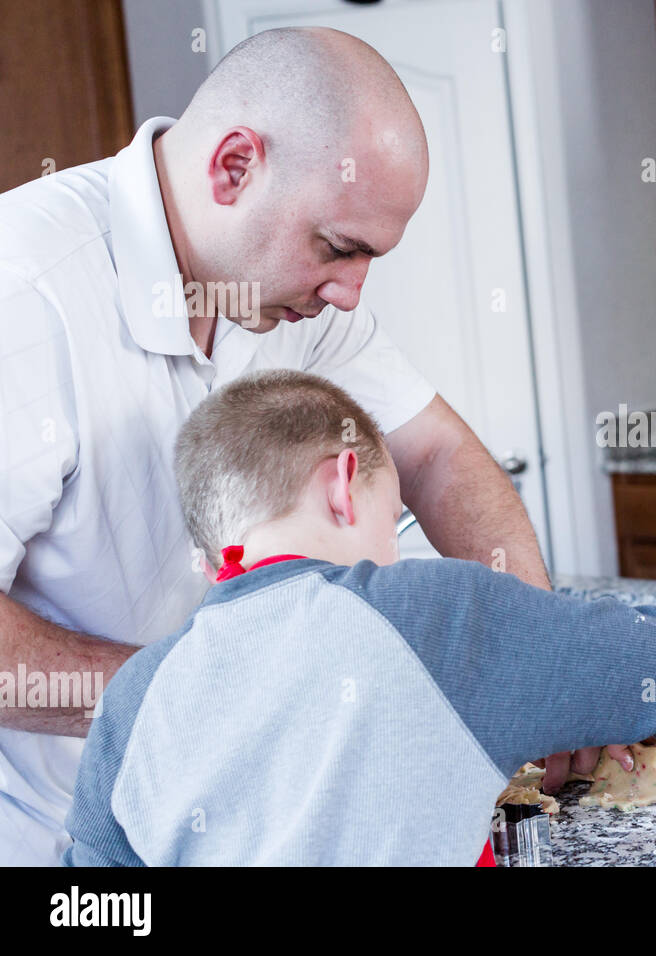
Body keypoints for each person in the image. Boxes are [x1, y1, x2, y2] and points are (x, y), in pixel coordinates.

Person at [0, 27, 580, 866]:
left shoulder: (288, 304)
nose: (350, 293)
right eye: (339, 249)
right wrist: (229, 689)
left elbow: (435, 454)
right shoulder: (25, 293)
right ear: (235, 167)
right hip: (46, 839)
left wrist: (542, 665)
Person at [59, 370, 656, 865]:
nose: (392, 548)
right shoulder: (431, 611)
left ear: (209, 559)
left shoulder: (134, 697)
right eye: (392, 516)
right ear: (344, 484)